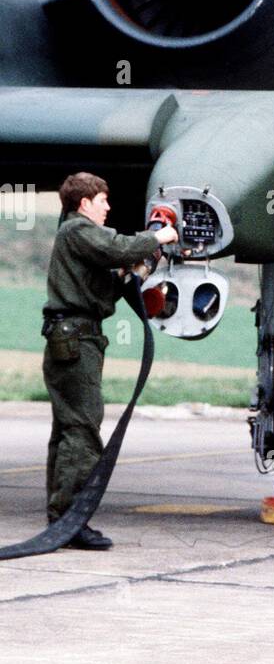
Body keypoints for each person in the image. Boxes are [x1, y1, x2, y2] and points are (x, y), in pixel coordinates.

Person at [42, 172, 179, 549]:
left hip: (77, 338)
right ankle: (71, 521)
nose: (108, 207)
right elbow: (117, 247)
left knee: (69, 430)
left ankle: (62, 517)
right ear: (84, 204)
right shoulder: (77, 230)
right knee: (83, 430)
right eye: (103, 200)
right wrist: (159, 236)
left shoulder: (80, 243)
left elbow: (106, 284)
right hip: (75, 340)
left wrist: (139, 269)